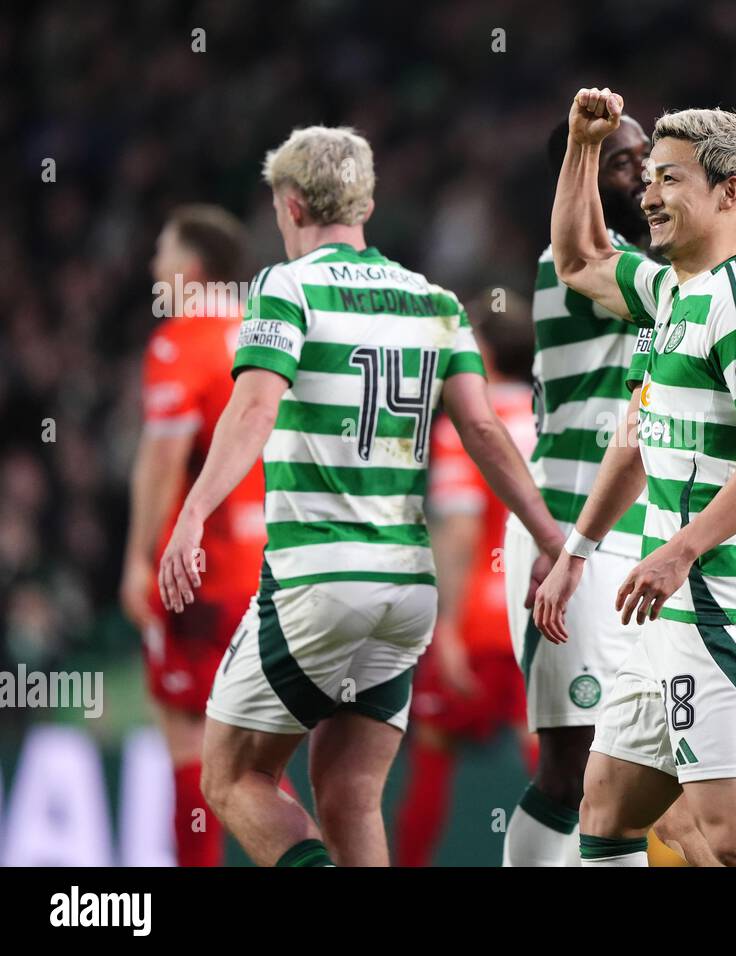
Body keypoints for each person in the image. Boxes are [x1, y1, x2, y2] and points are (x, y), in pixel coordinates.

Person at [157, 125, 563, 867]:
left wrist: (191, 513)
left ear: (289, 206)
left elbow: (252, 410)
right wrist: (548, 535)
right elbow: (480, 427)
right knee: (347, 792)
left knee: (234, 776)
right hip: (406, 593)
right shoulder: (434, 301)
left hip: (317, 579)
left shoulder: (287, 287)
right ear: (367, 201)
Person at [533, 87, 736, 867]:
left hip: (722, 589)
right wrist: (580, 145)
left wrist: (682, 552)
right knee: (605, 813)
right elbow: (576, 260)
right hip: (678, 596)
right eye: (649, 178)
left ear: (731, 194)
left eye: (670, 179)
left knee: (735, 836)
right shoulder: (673, 289)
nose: (649, 194)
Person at [500, 116, 652, 867]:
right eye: (620, 163)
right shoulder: (578, 266)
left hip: (634, 540)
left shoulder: (651, 274)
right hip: (566, 535)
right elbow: (730, 280)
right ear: (580, 186)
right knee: (573, 769)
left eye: (647, 158)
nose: (645, 173)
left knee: (627, 770)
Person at [121, 204, 265, 866]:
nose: (155, 266)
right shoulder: (266, 334)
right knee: (251, 752)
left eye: (162, 252)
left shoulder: (182, 342)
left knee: (191, 739)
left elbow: (162, 462)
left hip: (201, 574)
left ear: (191, 267)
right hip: (271, 569)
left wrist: (137, 561)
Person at [396, 292, 539, 866]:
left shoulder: (466, 426)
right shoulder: (550, 419)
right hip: (542, 620)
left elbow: (456, 534)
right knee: (552, 769)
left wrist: (447, 627)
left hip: (478, 622)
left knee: (432, 758)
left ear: (482, 349)